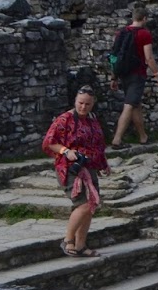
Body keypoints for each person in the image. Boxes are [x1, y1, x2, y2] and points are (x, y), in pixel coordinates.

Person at [42, 86, 109, 258]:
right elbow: (49, 142)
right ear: (75, 101)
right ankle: (68, 240)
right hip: (70, 168)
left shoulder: (93, 120)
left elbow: (98, 145)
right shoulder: (64, 119)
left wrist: (103, 164)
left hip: (89, 167)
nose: (83, 107)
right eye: (80, 103)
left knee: (90, 206)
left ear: (93, 104)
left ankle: (80, 245)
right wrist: (66, 151)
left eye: (87, 104)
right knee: (83, 204)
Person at [110, 6, 158, 147]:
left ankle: (143, 136)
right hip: (137, 74)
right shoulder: (144, 34)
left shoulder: (121, 32)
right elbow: (149, 58)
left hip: (123, 73)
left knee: (135, 104)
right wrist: (157, 75)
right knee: (129, 105)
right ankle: (117, 139)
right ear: (144, 18)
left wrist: (114, 77)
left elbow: (114, 56)